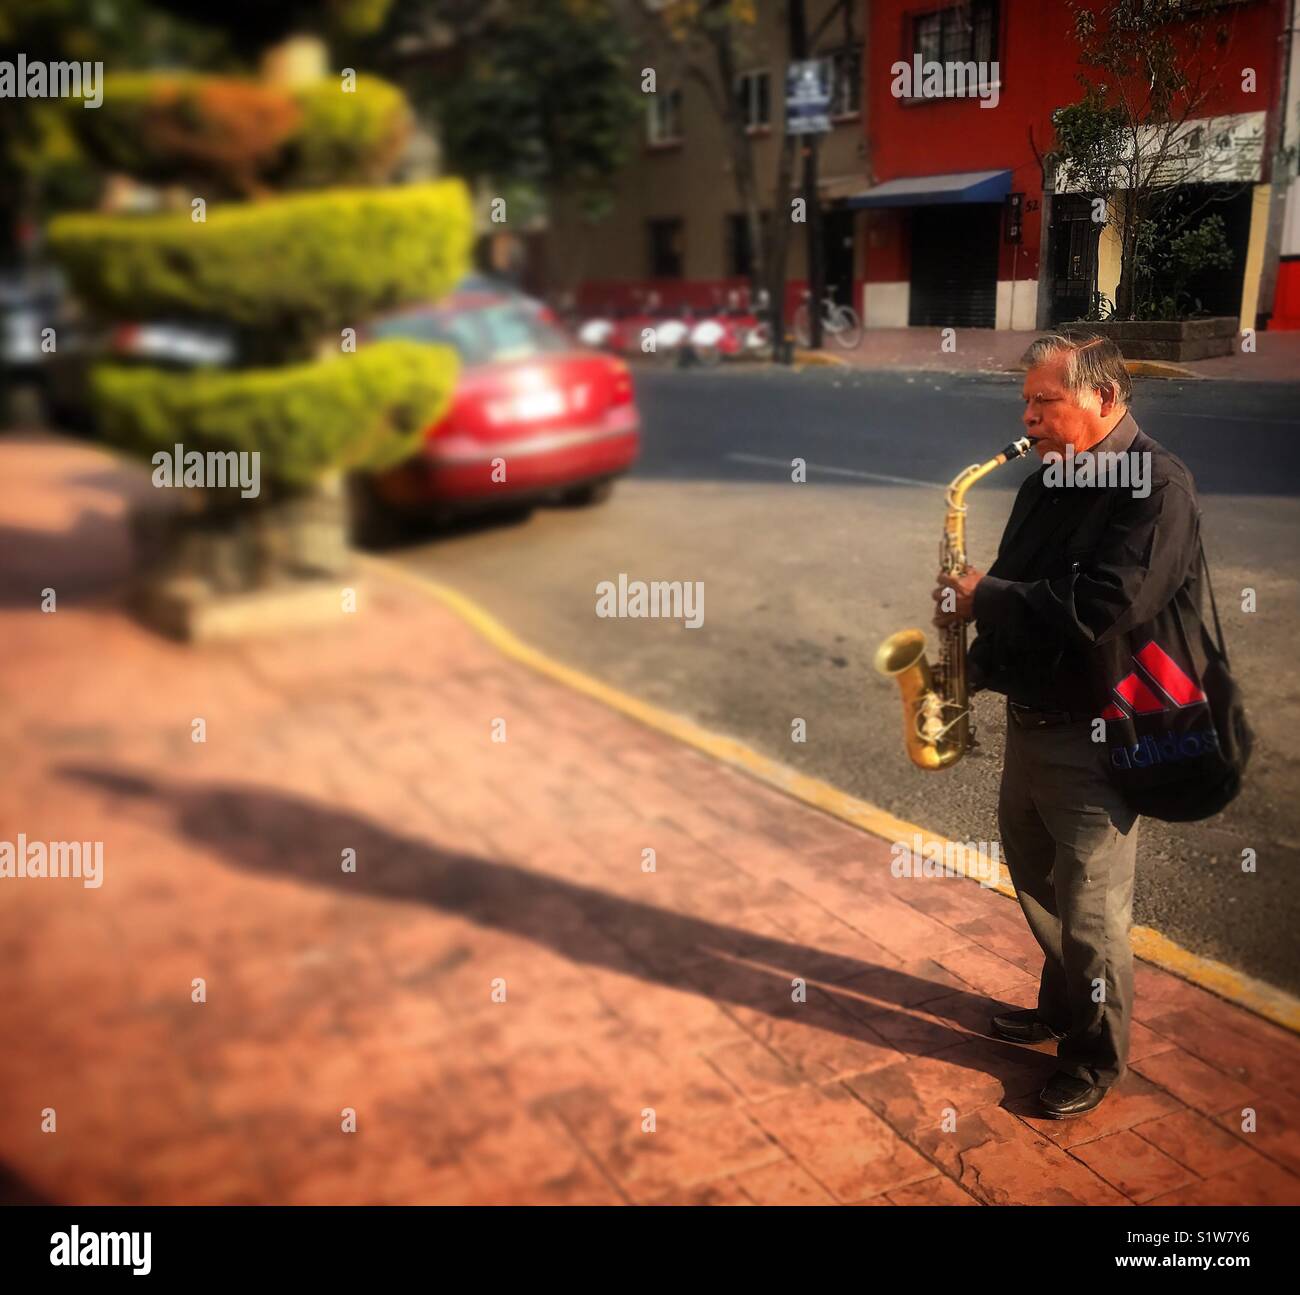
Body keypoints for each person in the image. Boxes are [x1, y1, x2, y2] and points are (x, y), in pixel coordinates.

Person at [931, 332, 1201, 1118]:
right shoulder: (1045, 481)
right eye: (1027, 402)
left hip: (1101, 732)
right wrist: (964, 669)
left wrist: (987, 598)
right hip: (1033, 721)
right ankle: (1060, 1011)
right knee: (1045, 887)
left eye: (1044, 402)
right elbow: (1017, 593)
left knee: (1090, 911)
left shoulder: (1156, 487)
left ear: (1105, 399)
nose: (1029, 417)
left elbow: (1103, 605)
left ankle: (1094, 1055)